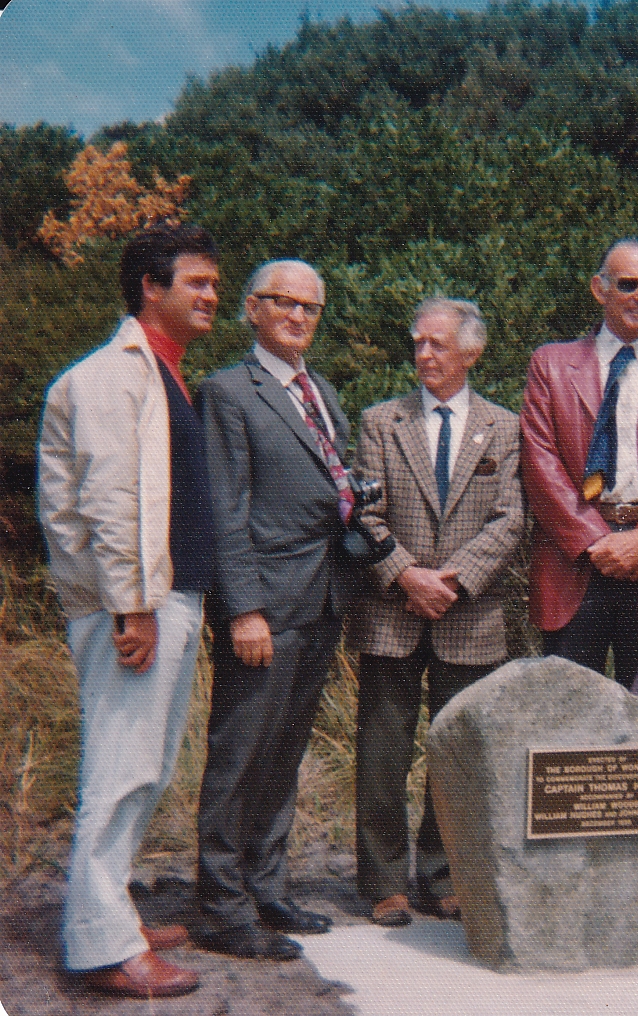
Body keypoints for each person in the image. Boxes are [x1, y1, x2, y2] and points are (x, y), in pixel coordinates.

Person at [38, 223, 220, 997]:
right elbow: (110, 504)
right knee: (120, 768)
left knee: (143, 767)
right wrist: (133, 607)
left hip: (161, 597)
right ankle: (104, 948)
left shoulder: (162, 371)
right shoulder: (114, 376)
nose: (213, 296)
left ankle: (107, 913)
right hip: (135, 606)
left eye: (215, 284)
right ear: (151, 286)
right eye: (198, 283)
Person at [348, 297, 524, 927]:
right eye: (418, 342)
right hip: (392, 612)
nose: (424, 354)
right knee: (382, 751)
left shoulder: (503, 427)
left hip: (469, 617)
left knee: (458, 752)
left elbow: (511, 520)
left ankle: (442, 873)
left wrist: (455, 581)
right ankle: (383, 880)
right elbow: (361, 515)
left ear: (471, 352)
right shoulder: (380, 422)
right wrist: (406, 575)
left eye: (437, 344)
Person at [195, 260, 350, 959]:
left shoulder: (323, 393)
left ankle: (266, 886)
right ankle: (222, 908)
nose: (297, 316)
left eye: (309, 308)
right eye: (282, 303)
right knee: (239, 754)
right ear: (252, 310)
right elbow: (225, 510)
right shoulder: (228, 392)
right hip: (263, 607)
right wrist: (243, 609)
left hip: (320, 602)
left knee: (283, 753)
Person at [519, 239, 638, 689]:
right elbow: (540, 461)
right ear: (598, 288)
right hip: (574, 562)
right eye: (629, 284)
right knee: (569, 715)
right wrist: (597, 543)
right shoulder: (550, 364)